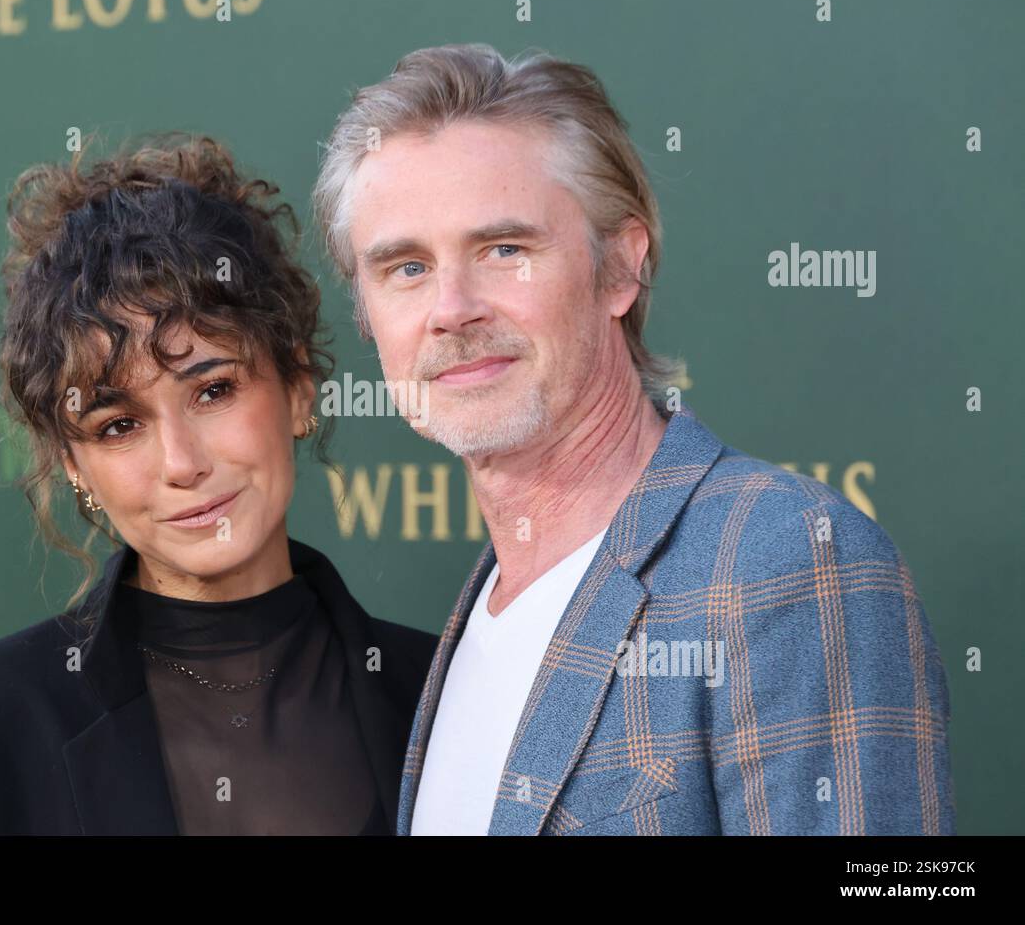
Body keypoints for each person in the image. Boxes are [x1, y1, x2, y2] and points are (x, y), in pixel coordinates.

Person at [312, 43, 955, 835]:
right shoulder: (473, 622)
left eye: (504, 249)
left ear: (620, 270)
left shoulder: (789, 564)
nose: (451, 308)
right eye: (405, 268)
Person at [0, 132, 437, 835]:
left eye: (213, 390)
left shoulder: (460, 700)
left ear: (299, 388)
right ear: (71, 461)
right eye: (118, 425)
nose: (182, 462)